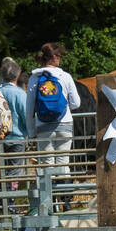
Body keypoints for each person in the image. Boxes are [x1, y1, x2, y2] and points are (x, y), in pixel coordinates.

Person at [25, 42, 82, 182]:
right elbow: (76, 104)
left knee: (47, 165)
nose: (60, 58)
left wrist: (31, 133)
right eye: (60, 55)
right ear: (54, 57)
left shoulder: (34, 78)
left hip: (43, 126)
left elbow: (29, 108)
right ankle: (65, 201)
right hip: (65, 123)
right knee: (63, 163)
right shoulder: (65, 76)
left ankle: (50, 202)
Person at [0, 57, 28, 191]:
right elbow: (26, 116)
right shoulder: (21, 94)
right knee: (14, 172)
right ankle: (10, 201)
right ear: (17, 75)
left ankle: (1, 202)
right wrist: (29, 133)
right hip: (17, 137)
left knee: (0, 171)